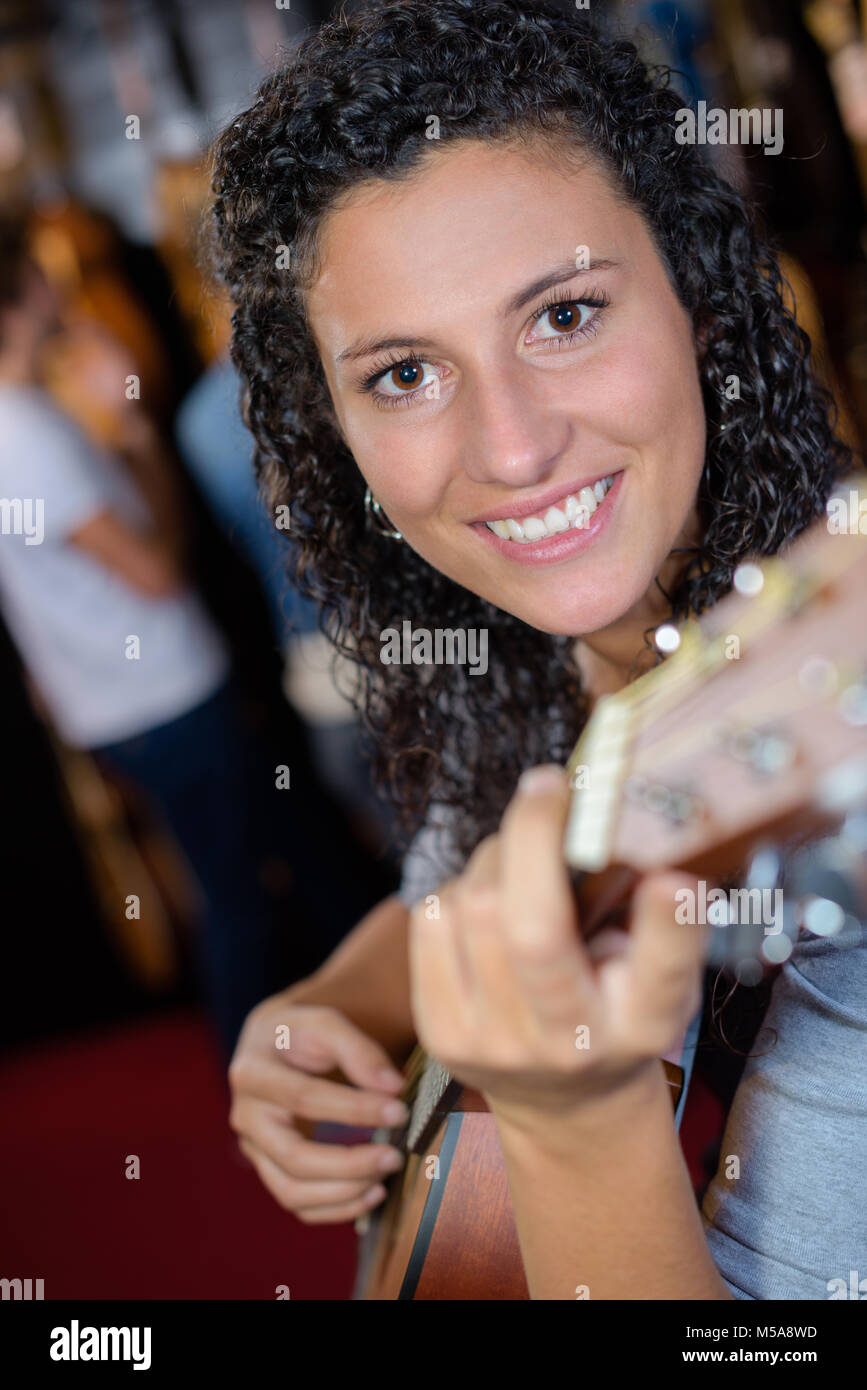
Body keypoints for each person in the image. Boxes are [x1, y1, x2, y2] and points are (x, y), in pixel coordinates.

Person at [210, 0, 863, 1298]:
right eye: (403, 373)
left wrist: (575, 1130)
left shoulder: (806, 712)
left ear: (696, 297)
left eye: (561, 316)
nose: (509, 450)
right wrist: (333, 1000)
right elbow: (453, 891)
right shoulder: (526, 656)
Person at [0, 212, 386, 1063]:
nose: (60, 287)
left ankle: (384, 1016)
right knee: (242, 891)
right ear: (21, 296)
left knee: (296, 853)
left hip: (121, 702)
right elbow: (155, 571)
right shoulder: (27, 434)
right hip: (164, 697)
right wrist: (135, 430)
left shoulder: (24, 422)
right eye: (41, 272)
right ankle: (255, 1074)